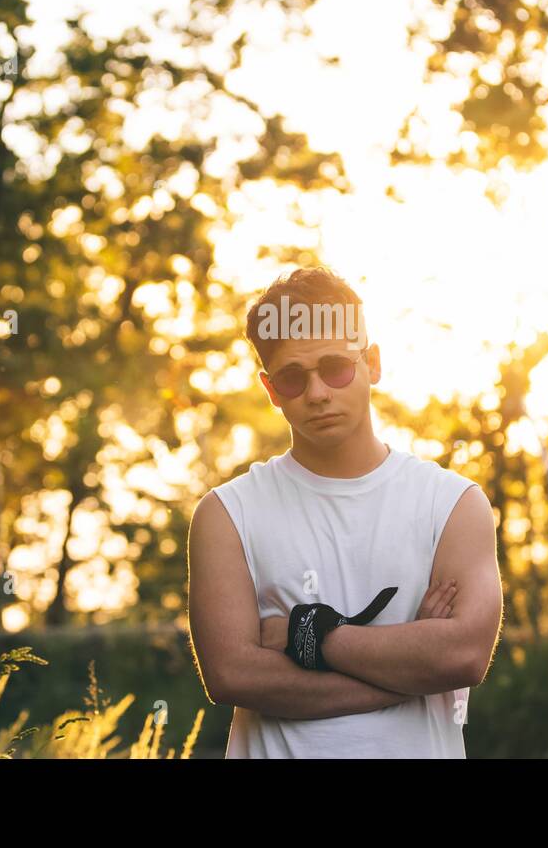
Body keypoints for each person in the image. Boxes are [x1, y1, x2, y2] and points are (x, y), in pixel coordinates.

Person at [187, 265, 503, 757]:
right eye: (293, 378)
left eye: (335, 367)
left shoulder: (453, 504)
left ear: (371, 363)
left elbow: (463, 656)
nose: (317, 393)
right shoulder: (226, 514)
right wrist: (409, 671)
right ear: (271, 390)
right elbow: (232, 676)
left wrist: (310, 637)